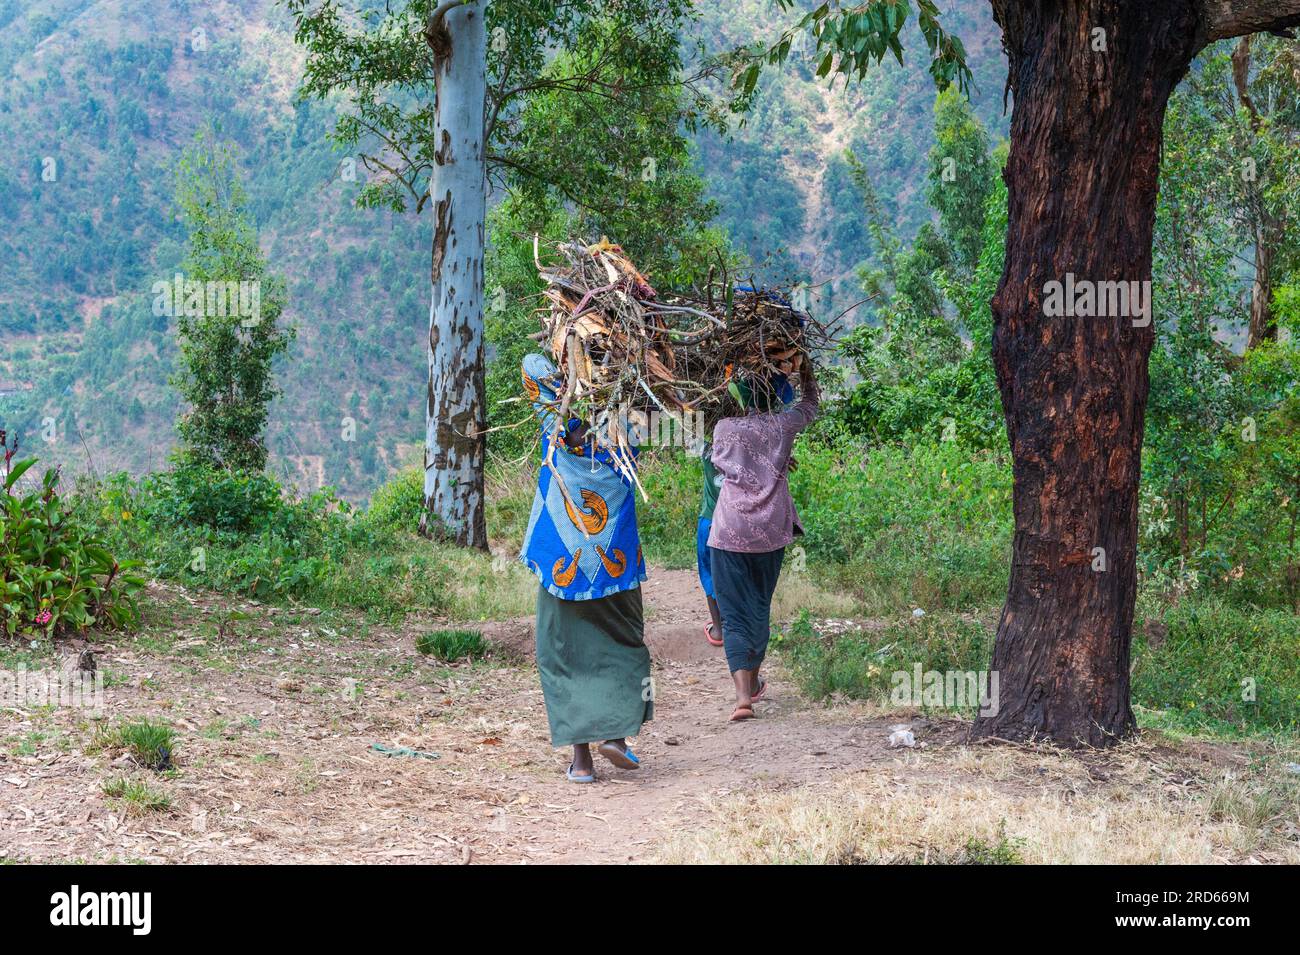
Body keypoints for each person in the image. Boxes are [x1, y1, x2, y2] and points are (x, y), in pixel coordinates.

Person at [518, 353, 652, 782]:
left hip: (564, 564)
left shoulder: (553, 418)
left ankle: (581, 760)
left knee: (563, 654)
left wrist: (567, 364)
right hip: (616, 563)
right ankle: (616, 736)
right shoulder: (628, 419)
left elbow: (531, 363)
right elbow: (653, 403)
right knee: (621, 644)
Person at [707, 361, 819, 721]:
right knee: (758, 607)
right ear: (776, 395)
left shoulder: (723, 427)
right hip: (769, 533)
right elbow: (811, 406)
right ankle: (752, 683)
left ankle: (744, 697)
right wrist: (806, 370)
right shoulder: (782, 425)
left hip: (728, 531)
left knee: (734, 614)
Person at [696, 440, 725, 646]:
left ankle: (718, 629)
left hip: (710, 521)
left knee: (709, 572)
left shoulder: (707, 448)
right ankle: (742, 625)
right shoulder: (748, 448)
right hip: (740, 523)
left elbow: (684, 426)